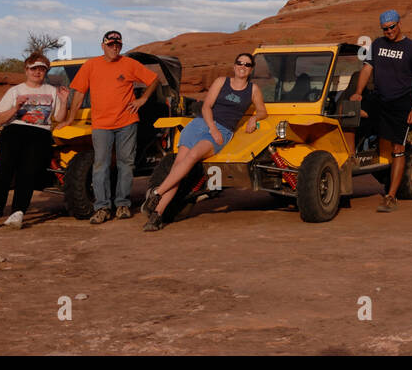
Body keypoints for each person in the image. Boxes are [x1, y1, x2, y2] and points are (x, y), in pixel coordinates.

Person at [142, 52, 265, 231]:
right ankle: (156, 216)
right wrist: (211, 128)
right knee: (178, 167)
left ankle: (156, 193)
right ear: (234, 65)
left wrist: (254, 118)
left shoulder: (253, 90)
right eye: (240, 63)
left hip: (223, 130)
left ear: (251, 69)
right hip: (200, 124)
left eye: (247, 65)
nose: (242, 67)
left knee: (192, 156)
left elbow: (262, 110)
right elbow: (207, 106)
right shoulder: (222, 82)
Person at [57, 31, 156, 224]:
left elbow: (153, 80)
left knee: (125, 164)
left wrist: (143, 99)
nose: (114, 47)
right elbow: (79, 93)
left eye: (117, 44)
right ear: (103, 45)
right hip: (101, 124)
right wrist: (69, 119)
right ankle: (102, 207)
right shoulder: (91, 65)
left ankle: (122, 205)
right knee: (100, 165)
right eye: (110, 44)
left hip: (127, 122)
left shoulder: (129, 64)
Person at [349, 10, 412, 213]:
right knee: (351, 115)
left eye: (392, 27)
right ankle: (350, 160)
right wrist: (358, 93)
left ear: (399, 24)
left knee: (398, 148)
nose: (389, 31)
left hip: (401, 103)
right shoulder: (377, 44)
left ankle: (391, 196)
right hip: (378, 99)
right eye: (385, 29)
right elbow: (367, 68)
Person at [0, 52, 68, 229]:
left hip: (40, 134)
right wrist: (16, 107)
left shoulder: (51, 91)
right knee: (3, 169)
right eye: (34, 68)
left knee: (28, 172)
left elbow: (59, 117)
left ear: (46, 72)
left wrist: (64, 101)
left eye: (42, 69)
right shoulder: (15, 91)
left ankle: (18, 213)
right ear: (26, 70)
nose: (37, 72)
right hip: (14, 131)